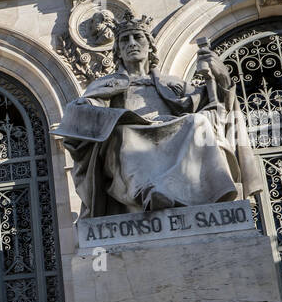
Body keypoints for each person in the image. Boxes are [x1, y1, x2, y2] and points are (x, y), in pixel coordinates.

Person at [56, 15, 265, 217]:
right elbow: (88, 111)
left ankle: (169, 189)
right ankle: (147, 192)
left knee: (198, 121)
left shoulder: (172, 83)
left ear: (149, 47)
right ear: (118, 51)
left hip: (173, 130)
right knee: (123, 133)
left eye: (137, 38)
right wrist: (86, 106)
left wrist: (220, 79)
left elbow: (218, 109)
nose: (131, 43)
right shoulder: (107, 84)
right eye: (124, 40)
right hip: (131, 134)